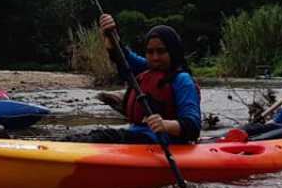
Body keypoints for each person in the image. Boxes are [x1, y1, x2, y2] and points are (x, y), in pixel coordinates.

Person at [65, 14, 202, 144]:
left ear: (172, 52)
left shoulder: (182, 80)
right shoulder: (147, 69)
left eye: (161, 51)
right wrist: (111, 34)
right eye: (150, 52)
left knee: (103, 137)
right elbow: (123, 57)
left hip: (161, 142)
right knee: (92, 136)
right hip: (137, 137)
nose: (155, 57)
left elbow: (193, 127)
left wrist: (165, 125)